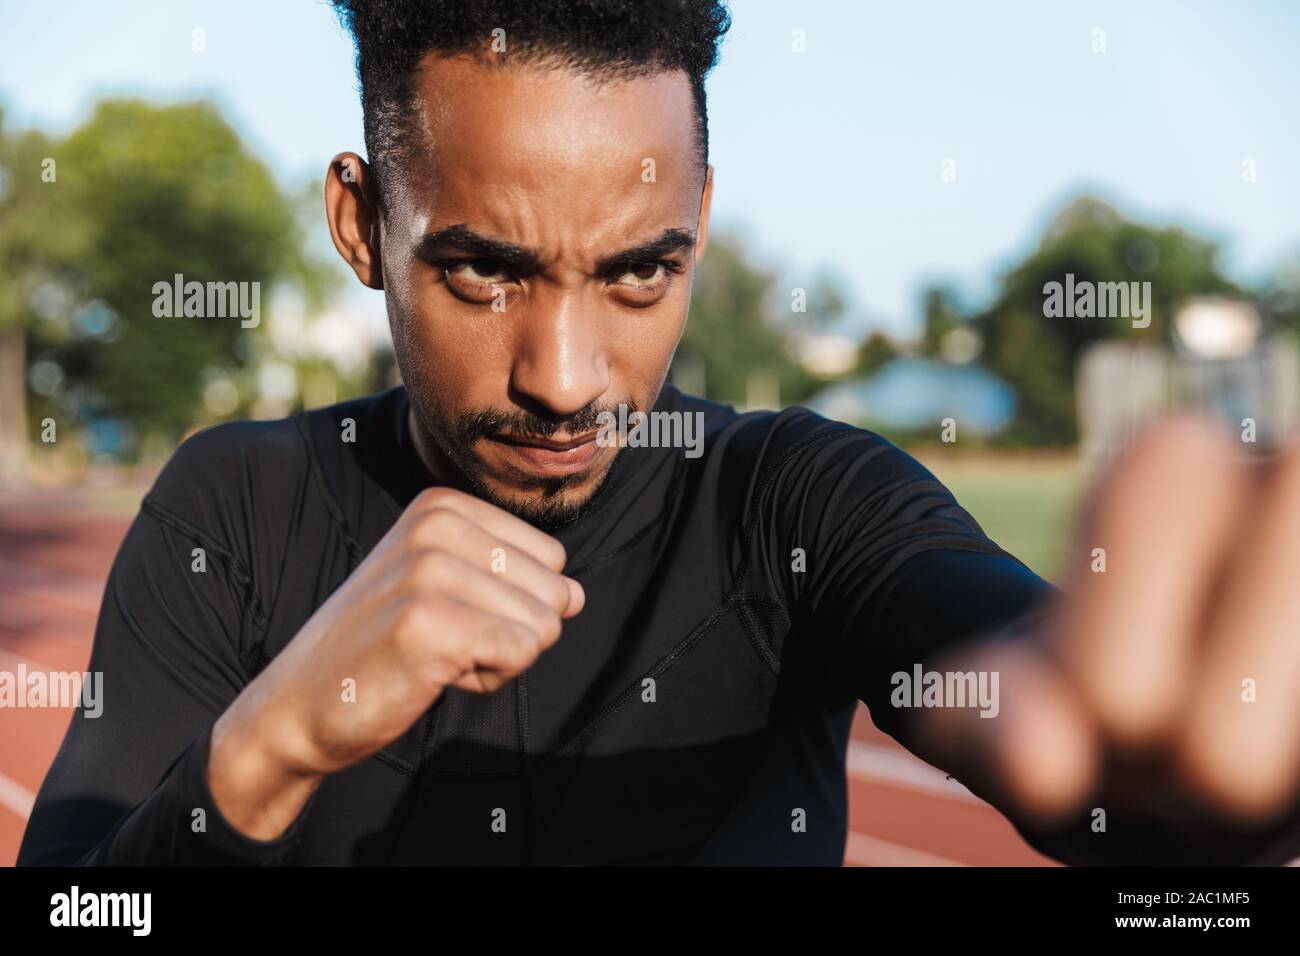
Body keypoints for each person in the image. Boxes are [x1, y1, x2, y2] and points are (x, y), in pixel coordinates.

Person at [18, 0, 1300, 866]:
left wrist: (1190, 758)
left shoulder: (793, 502)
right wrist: (268, 746)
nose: (569, 380)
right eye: (484, 274)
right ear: (362, 227)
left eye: (640, 272)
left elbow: (1033, 685)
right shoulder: (235, 511)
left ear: (698, 215)